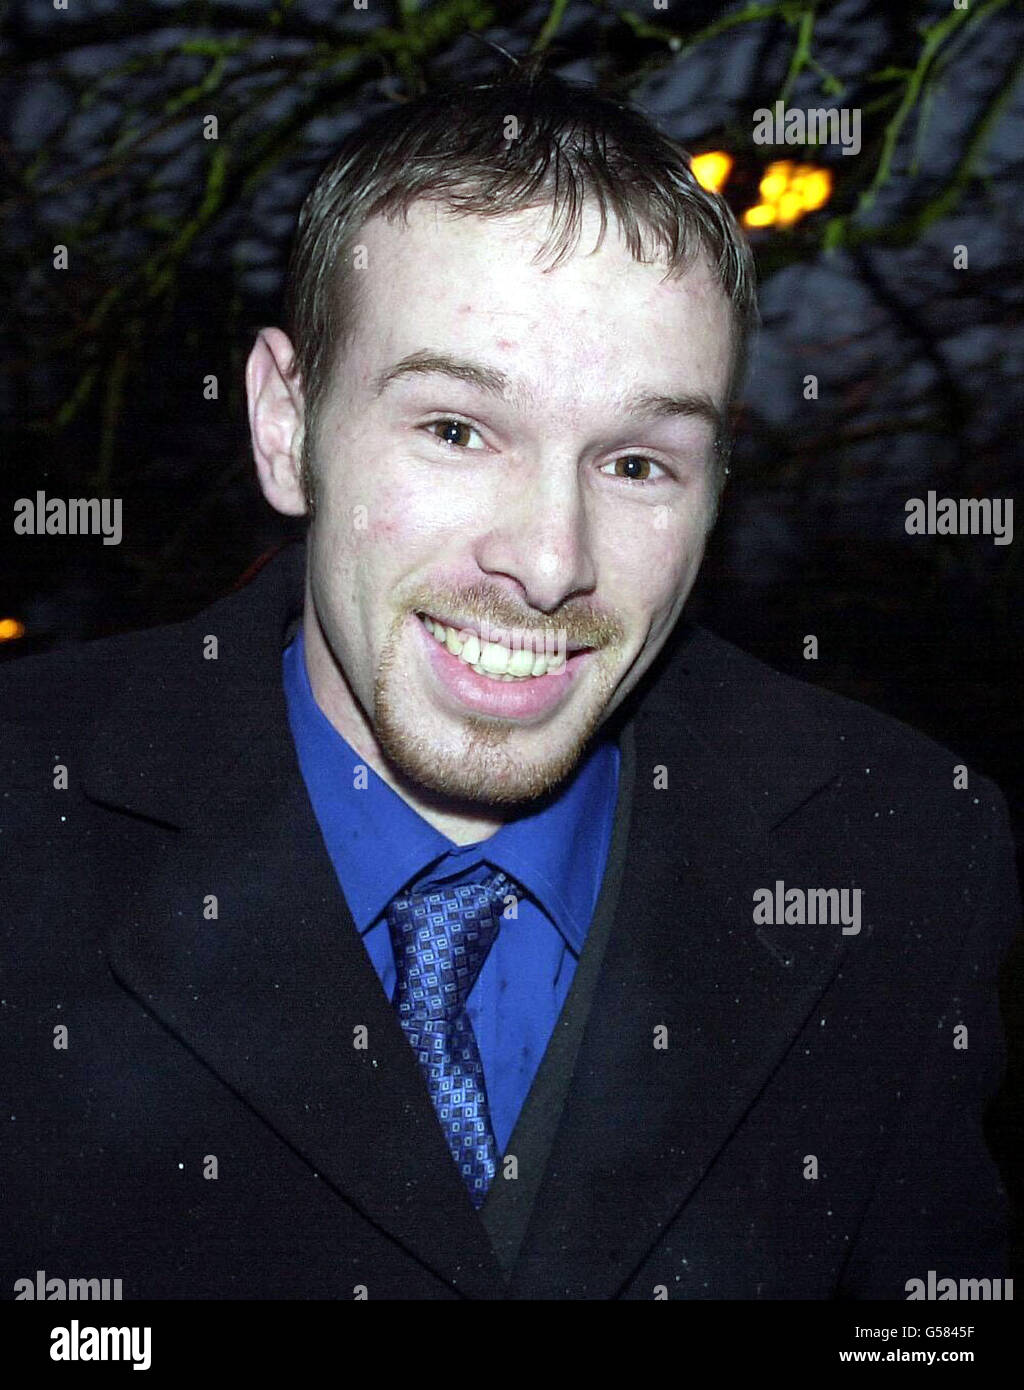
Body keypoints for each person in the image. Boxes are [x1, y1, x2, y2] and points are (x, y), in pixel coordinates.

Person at [2, 68, 1018, 1302]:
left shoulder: (904, 855)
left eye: (635, 463)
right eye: (455, 430)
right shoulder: (24, 816)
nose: (548, 561)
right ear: (284, 425)